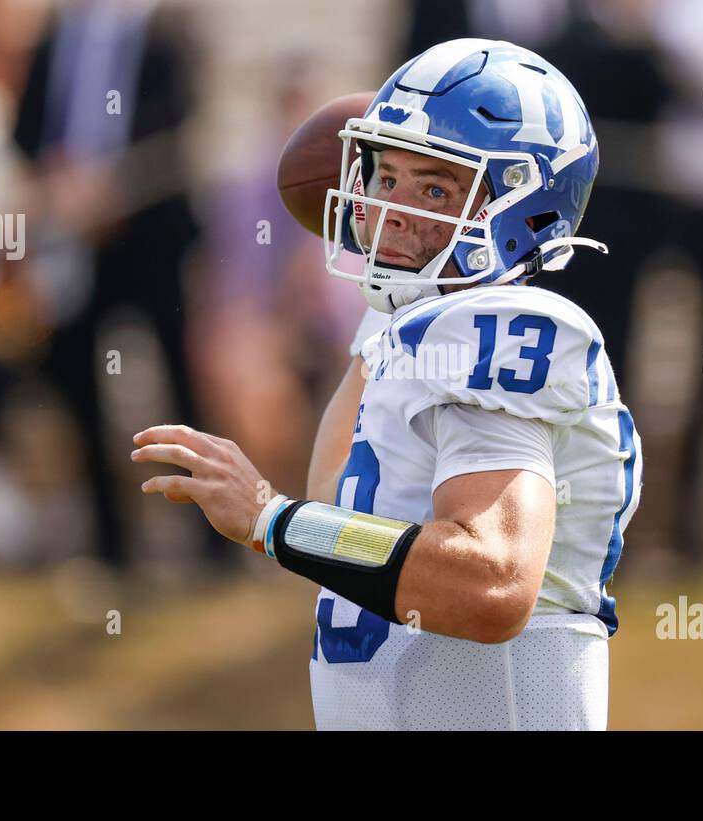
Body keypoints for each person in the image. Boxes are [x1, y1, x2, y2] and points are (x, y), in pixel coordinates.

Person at [132, 39, 641, 730]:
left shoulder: (502, 326)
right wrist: (387, 309)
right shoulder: (410, 335)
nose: (391, 209)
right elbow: (336, 511)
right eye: (384, 176)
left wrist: (266, 518)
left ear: (522, 208)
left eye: (434, 187)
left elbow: (493, 580)